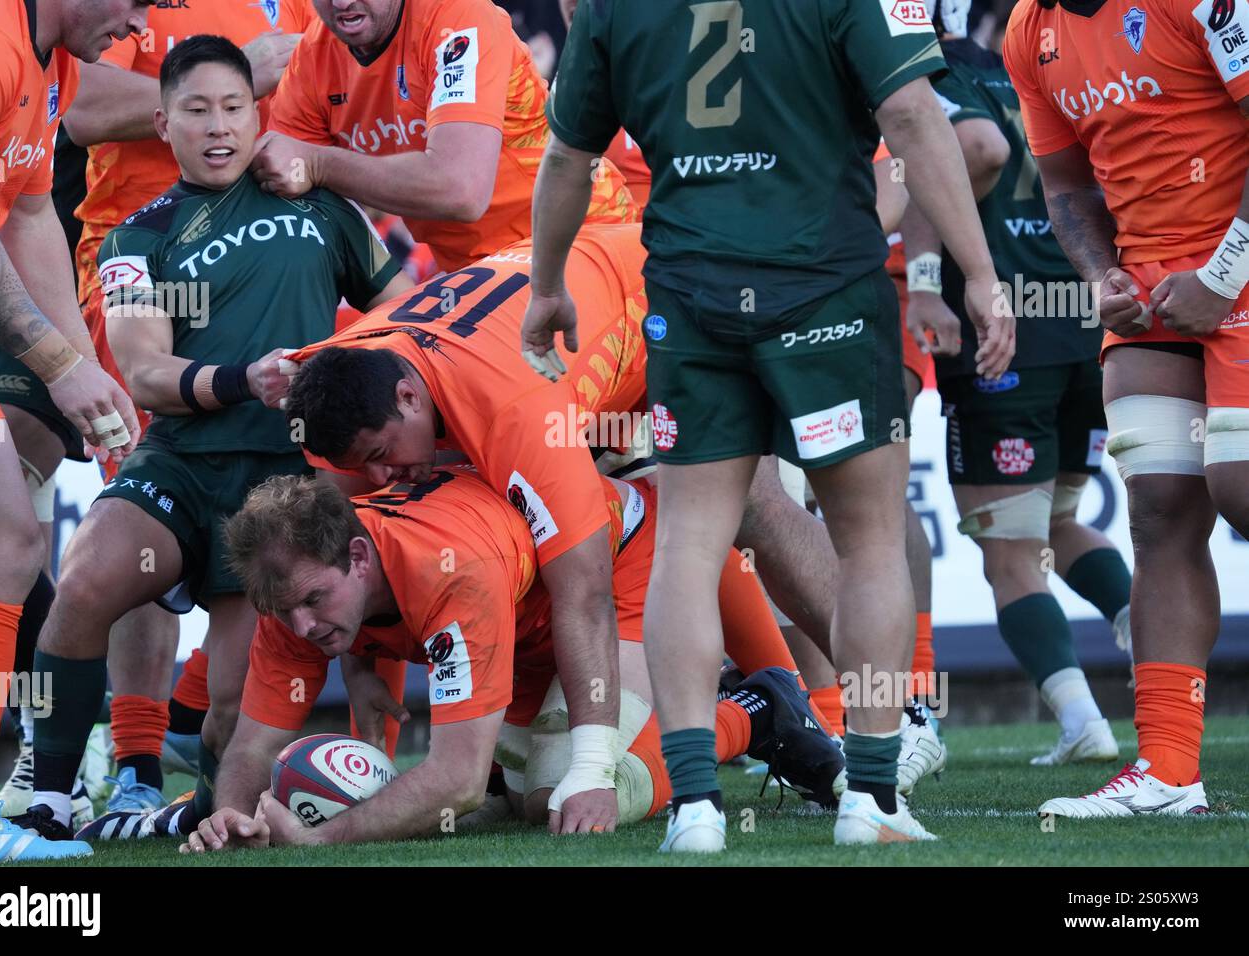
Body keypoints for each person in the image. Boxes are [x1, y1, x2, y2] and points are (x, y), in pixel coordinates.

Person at [528, 0, 1015, 849]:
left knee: (689, 544)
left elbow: (568, 154)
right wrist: (977, 272)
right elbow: (910, 115)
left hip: (690, 296)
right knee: (867, 541)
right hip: (823, 289)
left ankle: (694, 809)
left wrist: (546, 285)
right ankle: (870, 799)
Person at [6, 35, 402, 843]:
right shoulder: (136, 237)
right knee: (83, 585)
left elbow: (407, 312)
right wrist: (239, 379)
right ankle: (49, 798)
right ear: (163, 122)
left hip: (283, 486)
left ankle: (196, 816)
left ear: (258, 114)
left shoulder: (321, 207)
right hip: (181, 463)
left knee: (230, 700)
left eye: (234, 108)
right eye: (197, 110)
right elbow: (145, 370)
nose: (218, 126)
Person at [180, 469, 841, 850]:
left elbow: (455, 778)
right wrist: (234, 815)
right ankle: (544, 764)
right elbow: (251, 747)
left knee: (579, 800)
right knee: (519, 804)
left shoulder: (444, 570)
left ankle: (758, 711)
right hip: (527, 625)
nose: (302, 626)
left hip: (620, 572)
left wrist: (325, 839)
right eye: (284, 611)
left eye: (314, 602)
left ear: (357, 558)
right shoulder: (294, 591)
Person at [283, 222, 648, 834]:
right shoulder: (345, 385)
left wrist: (593, 767)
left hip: (654, 299)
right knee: (527, 796)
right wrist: (363, 671)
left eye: (381, 451)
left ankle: (781, 706)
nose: (379, 476)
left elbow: (584, 594)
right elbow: (350, 554)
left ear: (408, 396)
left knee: (737, 501)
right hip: (544, 322)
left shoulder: (517, 414)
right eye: (356, 464)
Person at [1004, 0, 1249, 818]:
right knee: (1159, 511)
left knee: (1241, 486)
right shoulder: (1025, 33)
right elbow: (1067, 184)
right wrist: (1098, 274)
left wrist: (1222, 276)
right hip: (1151, 294)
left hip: (1238, 269)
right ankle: (1169, 773)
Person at [902, 0, 1132, 766]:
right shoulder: (1030, 64)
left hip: (1009, 336)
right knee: (1060, 525)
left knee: (1010, 550)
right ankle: (1151, 641)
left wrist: (928, 277)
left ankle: (1082, 721)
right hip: (1084, 324)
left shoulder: (928, 75)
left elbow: (971, 150)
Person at [0, 0, 149, 865]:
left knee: (1, 535)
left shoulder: (51, 61)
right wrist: (60, 366)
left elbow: (30, 221)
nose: (139, 24)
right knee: (0, 535)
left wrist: (84, 376)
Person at [251, 0, 637, 273]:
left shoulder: (458, 16)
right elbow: (284, 186)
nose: (342, 1)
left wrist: (317, 164)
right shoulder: (312, 59)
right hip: (469, 274)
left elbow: (460, 190)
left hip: (580, 245)